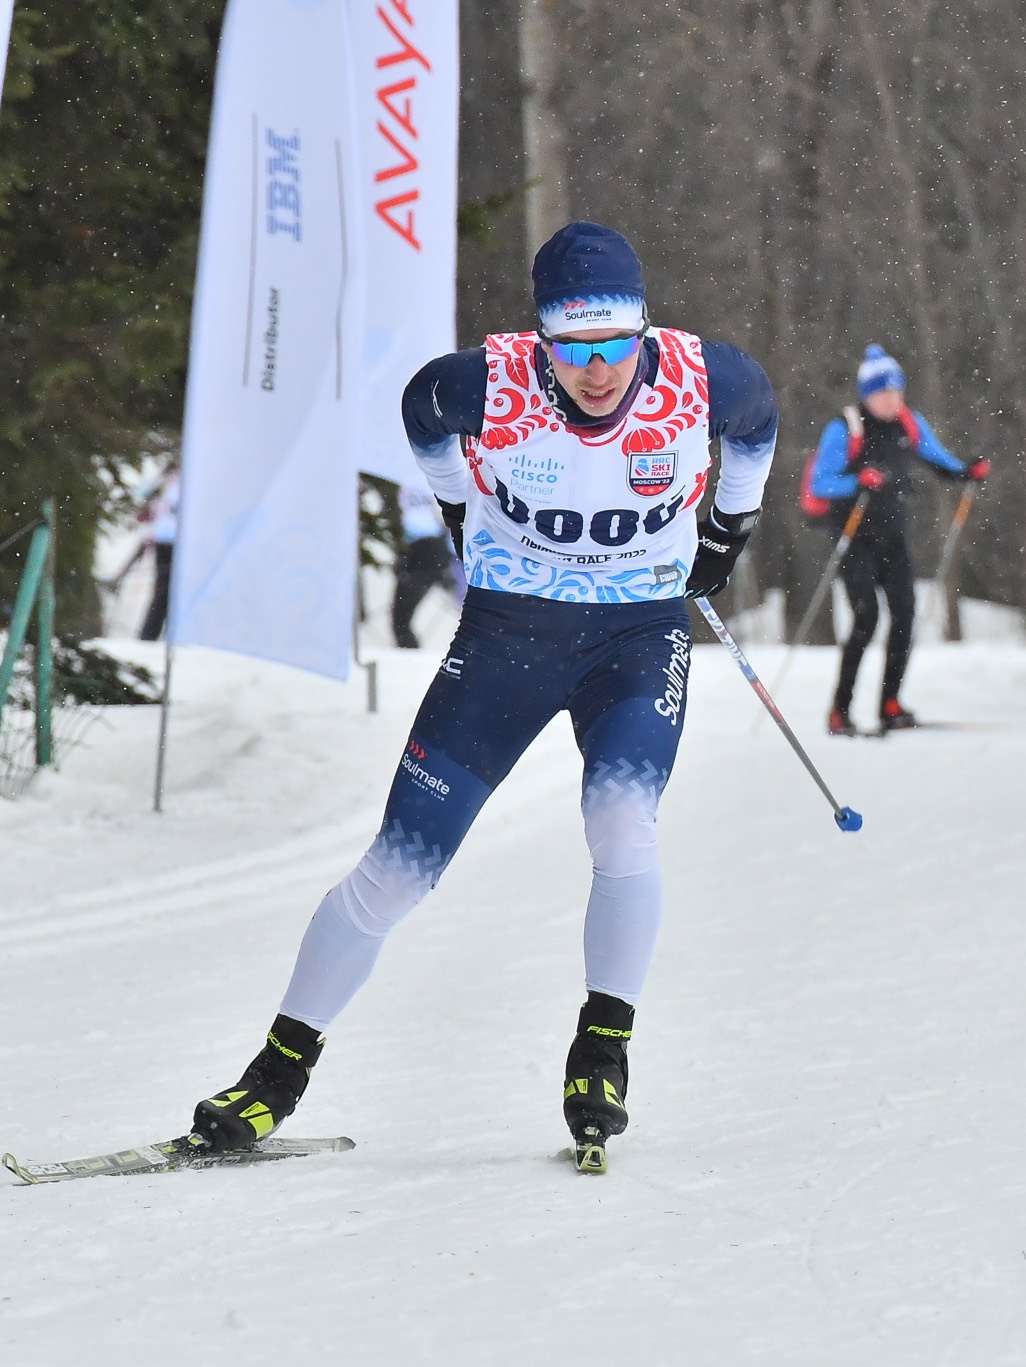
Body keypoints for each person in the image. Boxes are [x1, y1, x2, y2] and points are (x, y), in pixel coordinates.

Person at [188, 221, 778, 1165]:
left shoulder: (707, 377)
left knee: (623, 821)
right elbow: (422, 412)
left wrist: (728, 531)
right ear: (543, 340)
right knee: (397, 868)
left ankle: (604, 1044)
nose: (597, 370)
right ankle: (276, 1073)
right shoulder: (485, 383)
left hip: (637, 635)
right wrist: (455, 501)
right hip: (508, 640)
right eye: (574, 348)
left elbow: (759, 422)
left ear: (643, 330)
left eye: (615, 343)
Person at [809, 345, 989, 736]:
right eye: (883, 394)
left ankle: (890, 704)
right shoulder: (845, 428)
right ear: (867, 395)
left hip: (893, 535)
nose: (892, 401)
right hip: (854, 535)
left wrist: (967, 473)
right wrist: (858, 479)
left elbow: (939, 460)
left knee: (905, 615)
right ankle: (840, 710)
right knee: (866, 618)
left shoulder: (909, 422)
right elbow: (820, 482)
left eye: (897, 393)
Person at [390, 484, 462, 648]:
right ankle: (407, 649)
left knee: (401, 615)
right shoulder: (421, 482)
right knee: (402, 614)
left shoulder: (407, 486)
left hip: (424, 553)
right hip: (432, 552)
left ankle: (408, 653)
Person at [138, 460, 180, 641]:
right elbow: (142, 495)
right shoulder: (167, 483)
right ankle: (151, 633)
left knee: (167, 589)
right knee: (166, 589)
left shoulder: (168, 482)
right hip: (168, 540)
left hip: (169, 540)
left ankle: (154, 633)